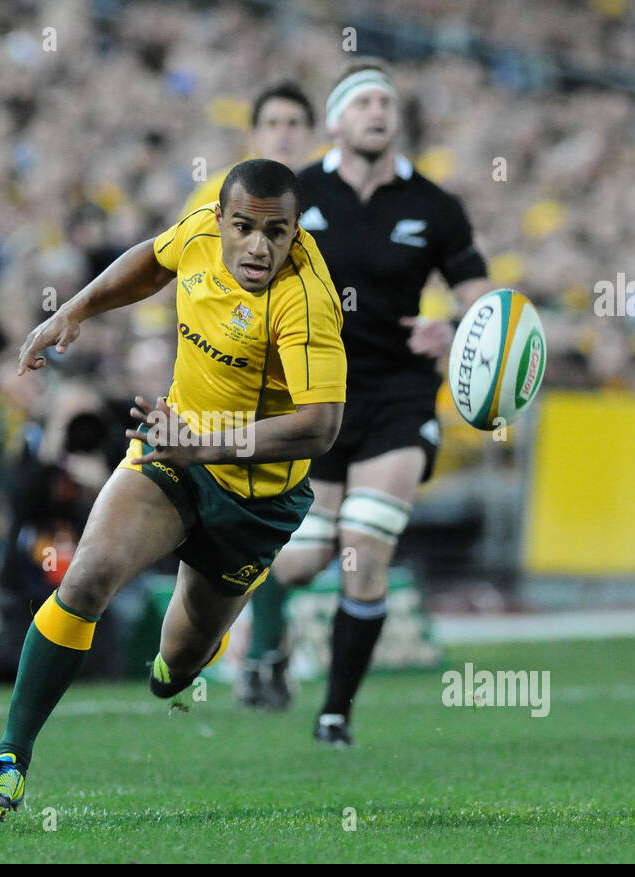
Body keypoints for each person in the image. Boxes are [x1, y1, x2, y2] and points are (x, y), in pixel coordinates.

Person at [0, 158, 346, 820]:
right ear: (221, 220)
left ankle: (198, 648)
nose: (259, 246)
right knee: (85, 580)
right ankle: (8, 758)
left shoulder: (307, 298)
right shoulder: (198, 231)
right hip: (172, 450)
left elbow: (321, 426)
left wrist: (211, 444)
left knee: (177, 663)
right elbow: (152, 258)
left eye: (276, 232)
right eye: (246, 228)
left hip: (256, 498)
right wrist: (75, 311)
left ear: (295, 231)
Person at [242, 60, 492, 744]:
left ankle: (335, 712)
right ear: (336, 121)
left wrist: (458, 326)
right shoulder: (298, 193)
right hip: (318, 398)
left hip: (400, 395)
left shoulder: (434, 205)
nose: (377, 111)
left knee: (366, 548)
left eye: (386, 102)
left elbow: (480, 294)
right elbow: (251, 279)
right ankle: (268, 649)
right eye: (363, 102)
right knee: (298, 559)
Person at [181, 81, 317, 216]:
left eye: (293, 124)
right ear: (253, 136)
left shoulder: (325, 189)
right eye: (272, 124)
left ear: (311, 135)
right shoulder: (216, 192)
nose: (283, 135)